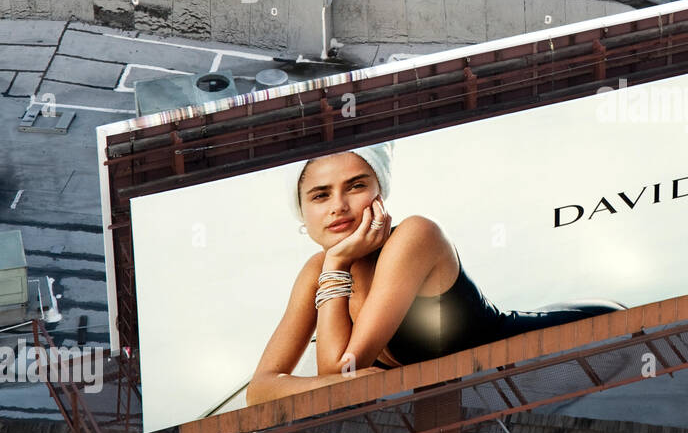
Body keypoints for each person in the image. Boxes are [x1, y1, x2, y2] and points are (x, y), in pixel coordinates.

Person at [247, 143, 622, 405]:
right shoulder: (318, 271)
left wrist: (337, 262)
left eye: (356, 186)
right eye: (320, 195)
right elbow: (259, 390)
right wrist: (334, 265)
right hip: (491, 394)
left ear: (381, 192)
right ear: (303, 211)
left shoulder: (415, 235)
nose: (339, 206)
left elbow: (338, 371)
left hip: (583, 346)